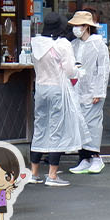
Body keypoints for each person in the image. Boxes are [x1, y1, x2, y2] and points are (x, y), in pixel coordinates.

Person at [27, 13, 86, 185]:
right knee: (56, 130)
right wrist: (79, 71)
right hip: (57, 89)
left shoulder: (36, 43)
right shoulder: (62, 44)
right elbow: (69, 71)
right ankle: (52, 174)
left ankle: (34, 172)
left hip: (40, 88)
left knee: (40, 128)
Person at [66, 9, 110, 174]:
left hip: (93, 91)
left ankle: (96, 157)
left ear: (86, 26)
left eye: (79, 25)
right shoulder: (74, 44)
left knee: (93, 124)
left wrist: (99, 92)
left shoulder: (99, 45)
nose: (76, 28)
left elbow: (103, 70)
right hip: (77, 90)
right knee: (80, 125)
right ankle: (84, 158)